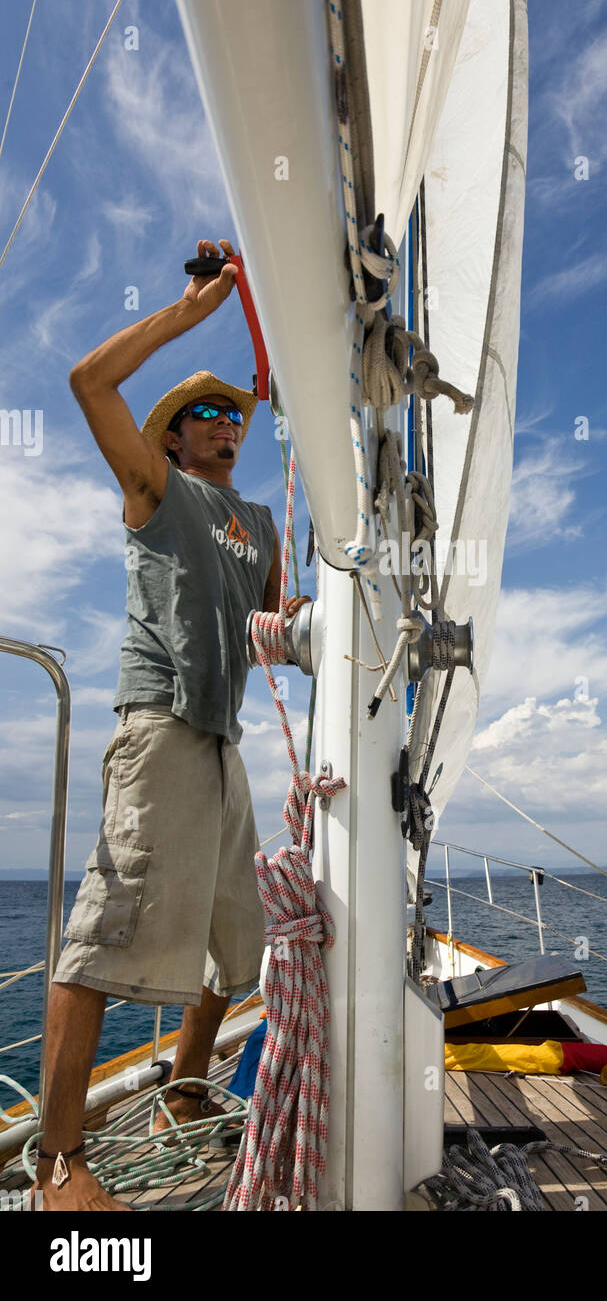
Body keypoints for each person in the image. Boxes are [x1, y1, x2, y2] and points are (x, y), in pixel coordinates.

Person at [35, 239, 308, 1211]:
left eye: (234, 412)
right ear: (175, 432)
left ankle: (184, 1095)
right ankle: (57, 1161)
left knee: (237, 940)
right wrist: (190, 314)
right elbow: (85, 379)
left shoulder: (265, 524)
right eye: (206, 411)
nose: (226, 423)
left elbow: (271, 632)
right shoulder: (156, 488)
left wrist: (328, 617)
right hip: (156, 728)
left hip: (225, 745)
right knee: (100, 939)